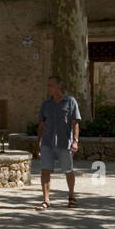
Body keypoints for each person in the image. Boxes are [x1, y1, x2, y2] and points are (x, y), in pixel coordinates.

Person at [35, 74, 81, 209]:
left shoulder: (70, 101)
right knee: (45, 170)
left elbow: (75, 123)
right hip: (47, 143)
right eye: (48, 85)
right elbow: (41, 125)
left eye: (51, 85)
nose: (48, 87)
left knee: (68, 170)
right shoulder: (46, 104)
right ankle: (46, 200)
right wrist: (38, 142)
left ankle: (71, 197)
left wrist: (75, 141)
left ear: (59, 86)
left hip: (64, 142)